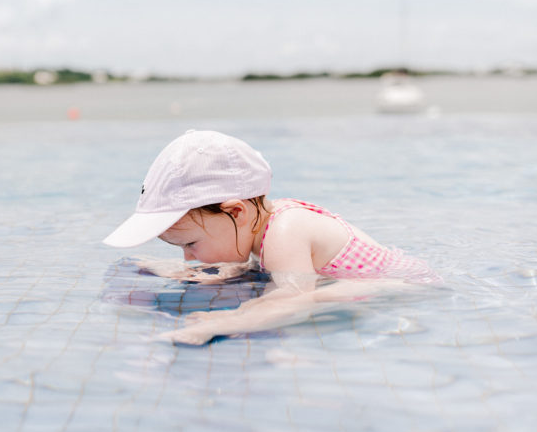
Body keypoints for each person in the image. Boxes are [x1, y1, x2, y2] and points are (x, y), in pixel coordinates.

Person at [103, 129, 439, 345]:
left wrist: (224, 322)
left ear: (236, 212)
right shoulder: (261, 226)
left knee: (323, 294)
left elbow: (293, 299)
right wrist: (192, 273)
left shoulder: (285, 232)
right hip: (399, 277)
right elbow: (259, 268)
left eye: (190, 245)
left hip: (404, 285)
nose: (189, 257)